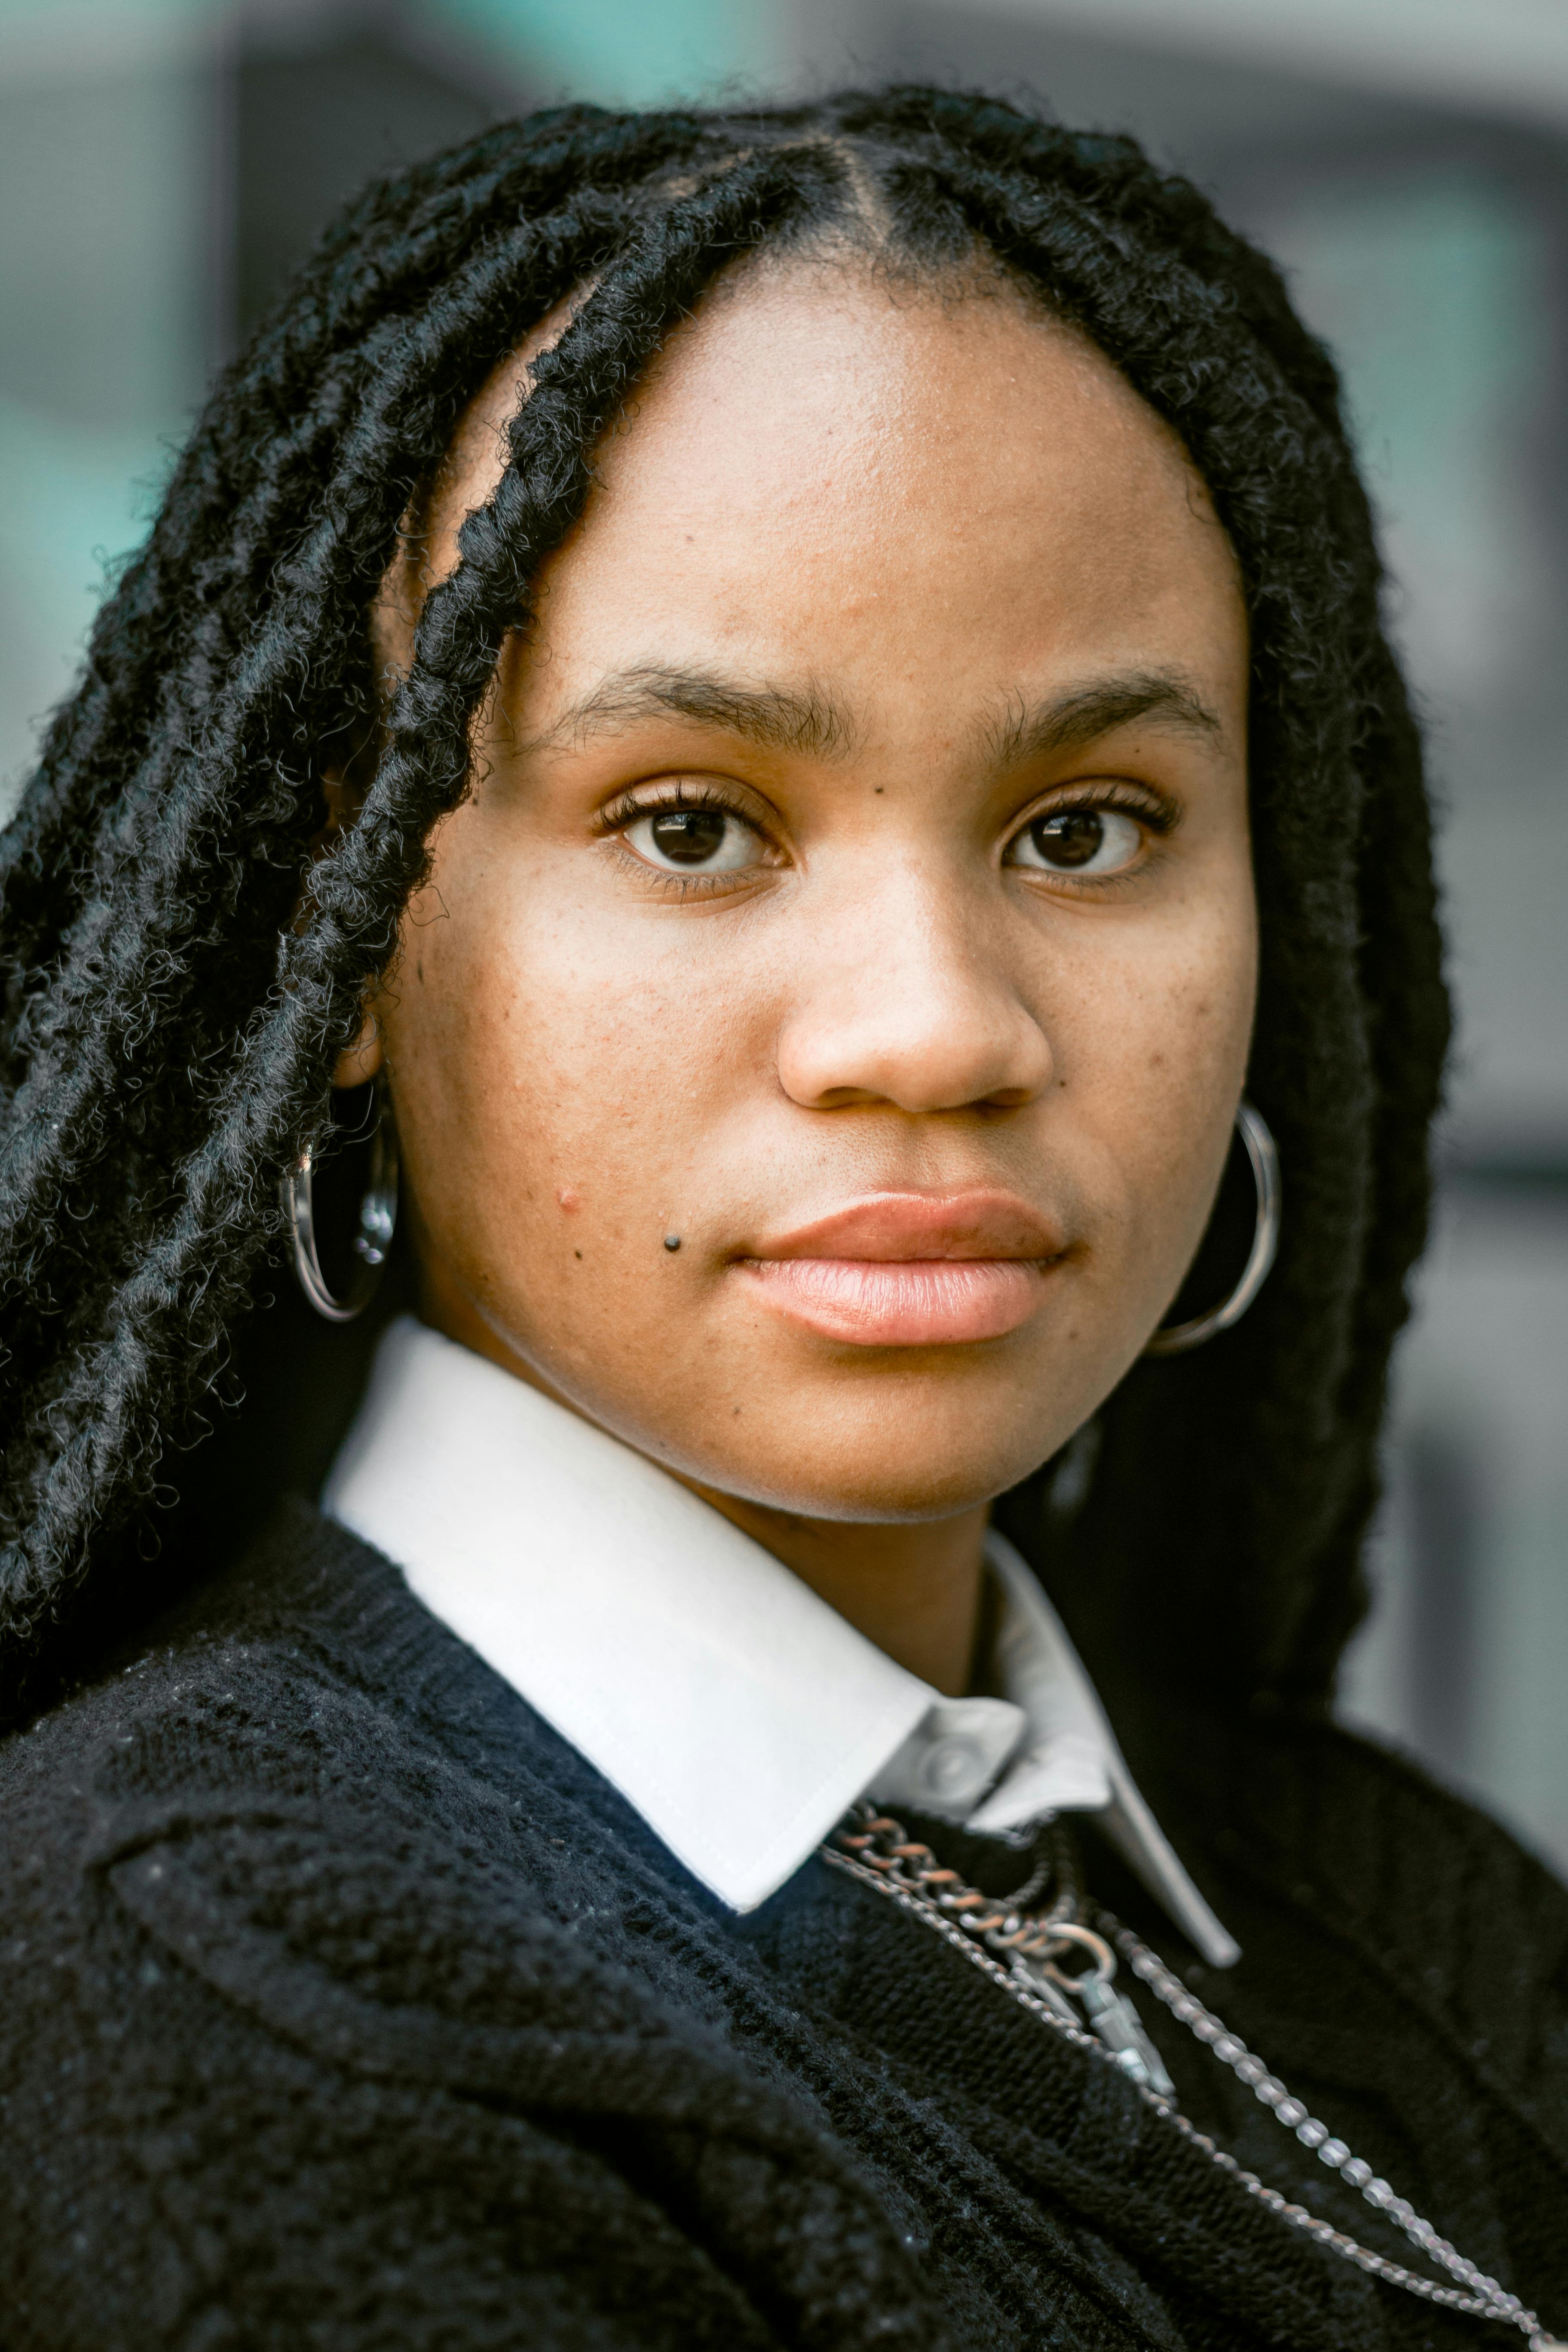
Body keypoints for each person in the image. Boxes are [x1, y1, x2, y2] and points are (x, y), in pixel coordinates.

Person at [0, 86, 1561, 2352]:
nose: (935, 1030)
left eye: (1092, 826)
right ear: (347, 929)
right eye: (694, 824)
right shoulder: (200, 1998)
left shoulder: (1395, 1904)